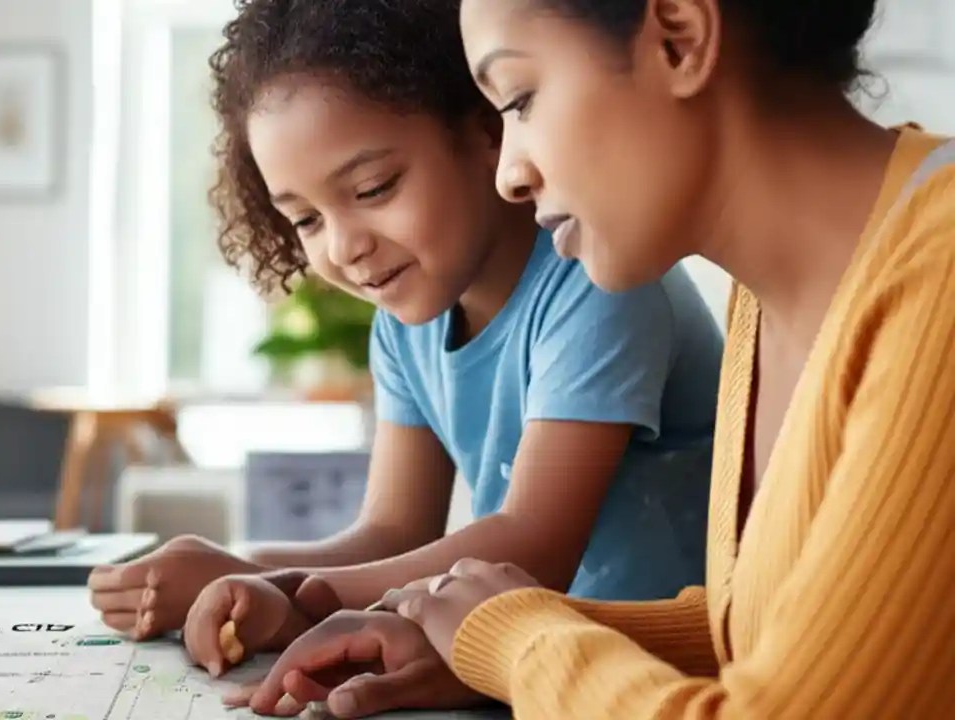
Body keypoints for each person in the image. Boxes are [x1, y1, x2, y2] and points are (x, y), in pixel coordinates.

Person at [233, 0, 955, 717]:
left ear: (677, 38)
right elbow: (763, 637)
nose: (509, 172)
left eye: (519, 99)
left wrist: (521, 642)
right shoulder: (769, 304)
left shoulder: (941, 272)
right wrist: (468, 643)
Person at [89, 0, 722, 670]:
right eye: (304, 220)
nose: (344, 247)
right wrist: (235, 572)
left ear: (486, 128)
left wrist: (282, 589)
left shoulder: (595, 277)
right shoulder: (404, 326)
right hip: (533, 665)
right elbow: (393, 531)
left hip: (662, 674)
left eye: (373, 187)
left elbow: (533, 547)